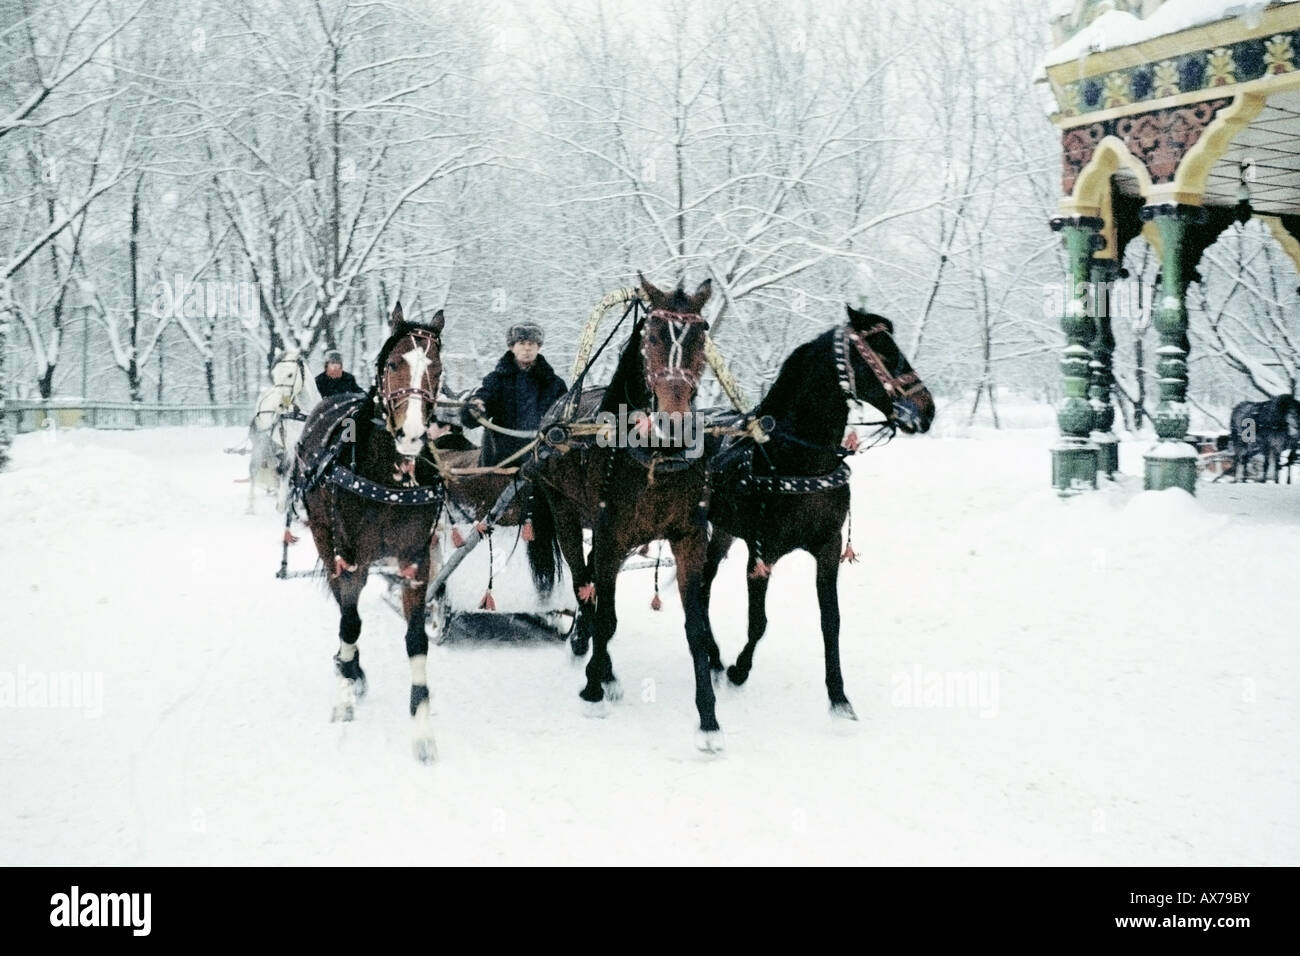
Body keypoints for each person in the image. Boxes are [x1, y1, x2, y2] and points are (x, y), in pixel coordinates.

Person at [462, 321, 567, 466]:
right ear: (512, 347)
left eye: (532, 343)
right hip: (501, 459)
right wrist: (475, 407)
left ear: (539, 347)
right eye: (522, 343)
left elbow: (565, 418)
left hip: (542, 460)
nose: (527, 348)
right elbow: (482, 401)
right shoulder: (497, 380)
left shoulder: (555, 384)